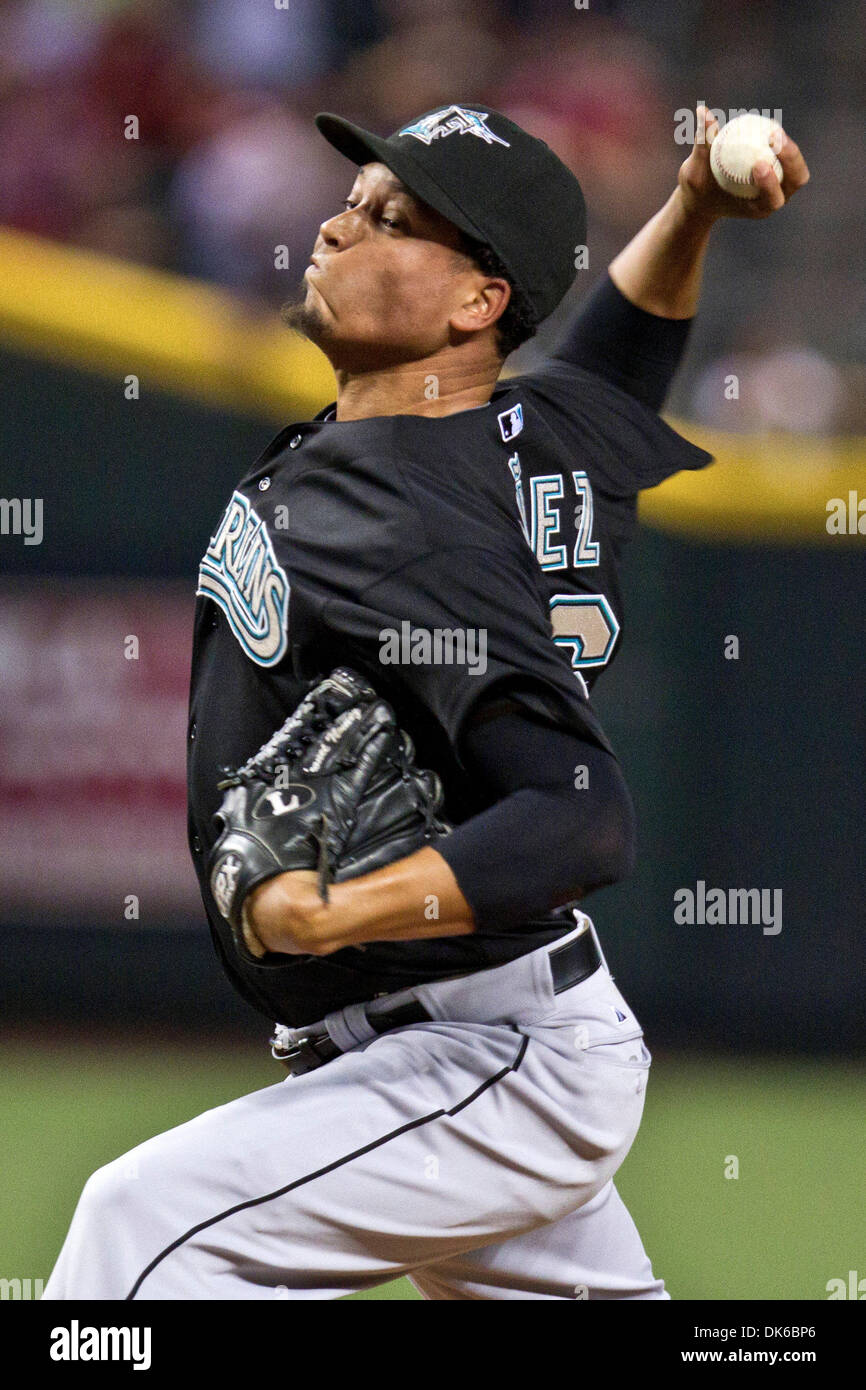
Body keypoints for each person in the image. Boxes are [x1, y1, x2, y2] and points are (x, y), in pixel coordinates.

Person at [44, 103, 808, 1301]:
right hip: (457, 1041)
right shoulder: (528, 434)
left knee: (142, 1230)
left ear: (475, 306)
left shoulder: (409, 516)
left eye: (394, 220)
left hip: (480, 1046)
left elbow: (579, 813)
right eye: (351, 200)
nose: (338, 227)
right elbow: (618, 355)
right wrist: (694, 207)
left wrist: (335, 912)